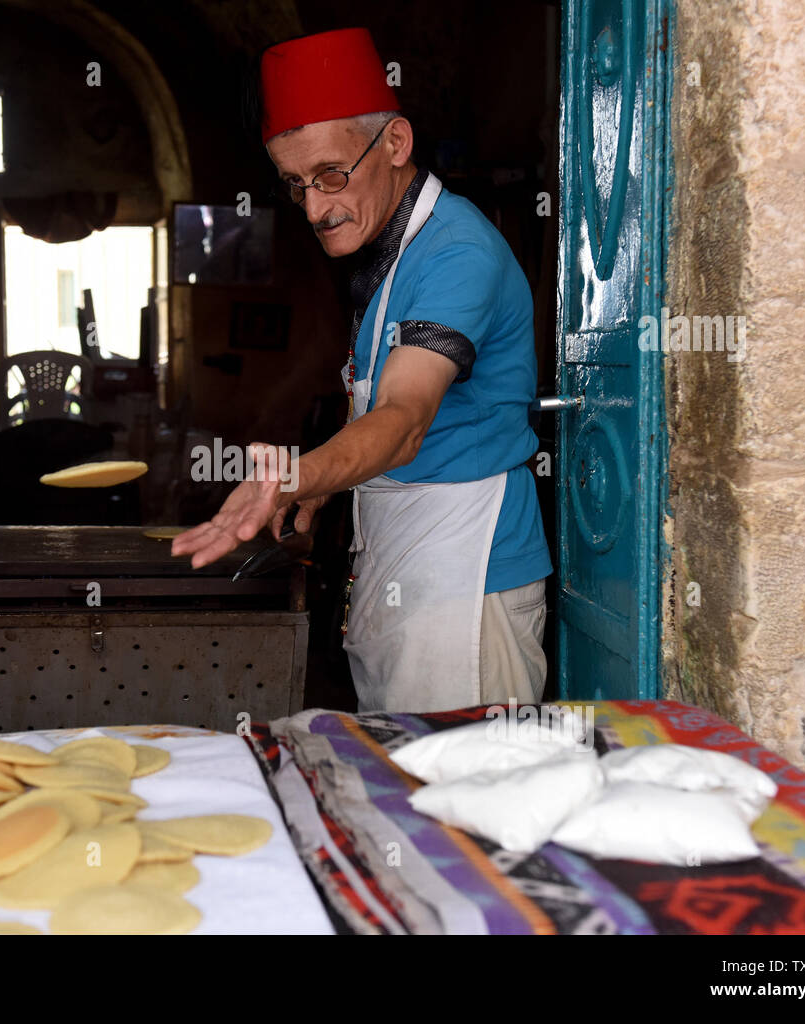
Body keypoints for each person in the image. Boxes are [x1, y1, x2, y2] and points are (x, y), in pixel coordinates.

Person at [173, 27, 553, 713]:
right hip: (408, 558)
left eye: (331, 174)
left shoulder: (456, 252)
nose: (316, 207)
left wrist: (295, 474)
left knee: (463, 798)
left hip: (466, 573)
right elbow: (368, 409)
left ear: (396, 145)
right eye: (296, 185)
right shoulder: (390, 255)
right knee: (404, 784)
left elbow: (404, 421)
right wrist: (315, 494)